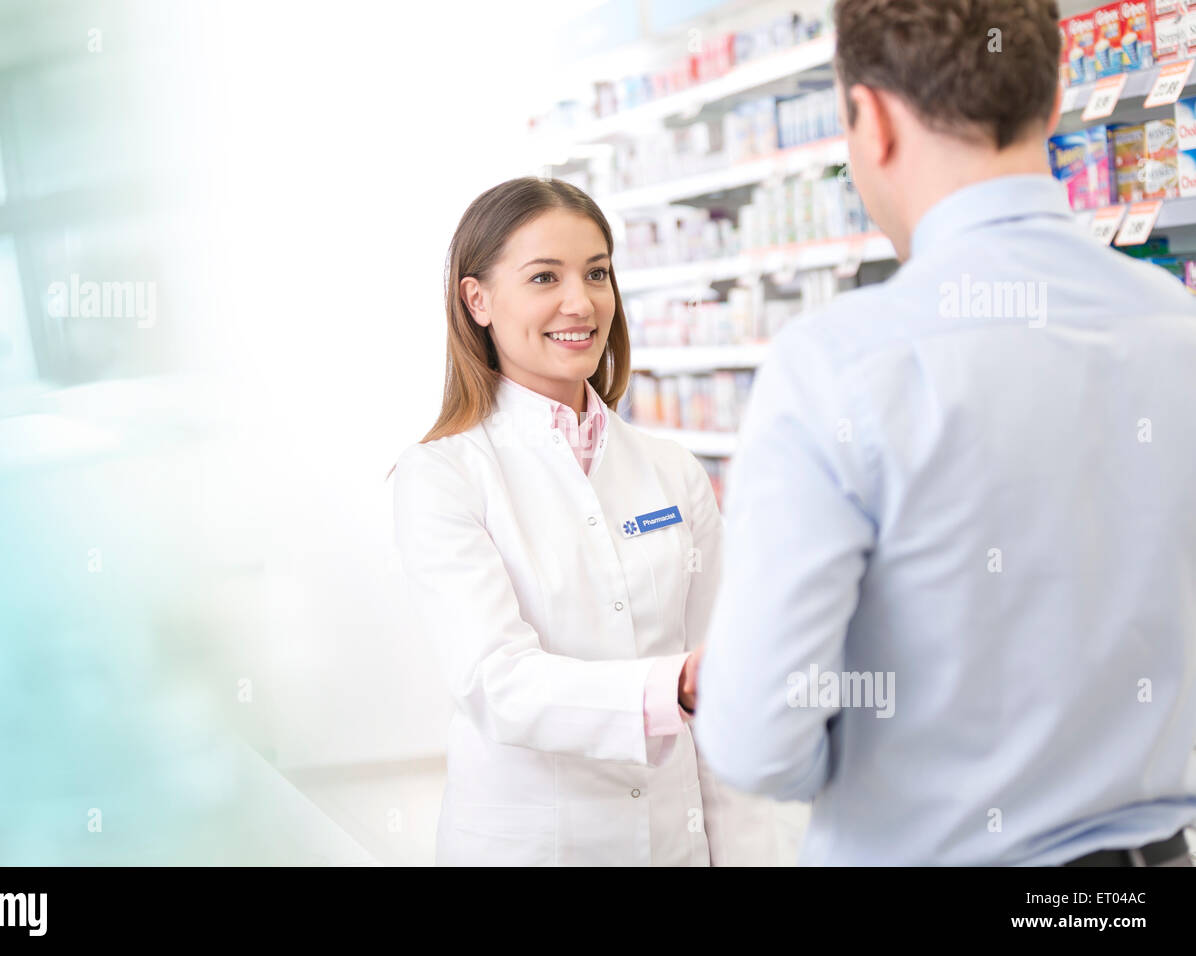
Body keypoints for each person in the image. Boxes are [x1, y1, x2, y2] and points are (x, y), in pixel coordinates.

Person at [692, 0, 1196, 866]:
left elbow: (755, 740)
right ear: (1049, 105)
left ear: (873, 120)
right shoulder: (1175, 324)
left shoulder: (839, 366)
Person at [390, 177, 779, 865]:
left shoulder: (672, 471)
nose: (582, 302)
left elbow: (724, 704)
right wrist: (675, 687)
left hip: (673, 844)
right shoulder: (444, 476)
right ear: (476, 299)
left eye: (597, 273)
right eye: (545, 276)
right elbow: (497, 683)